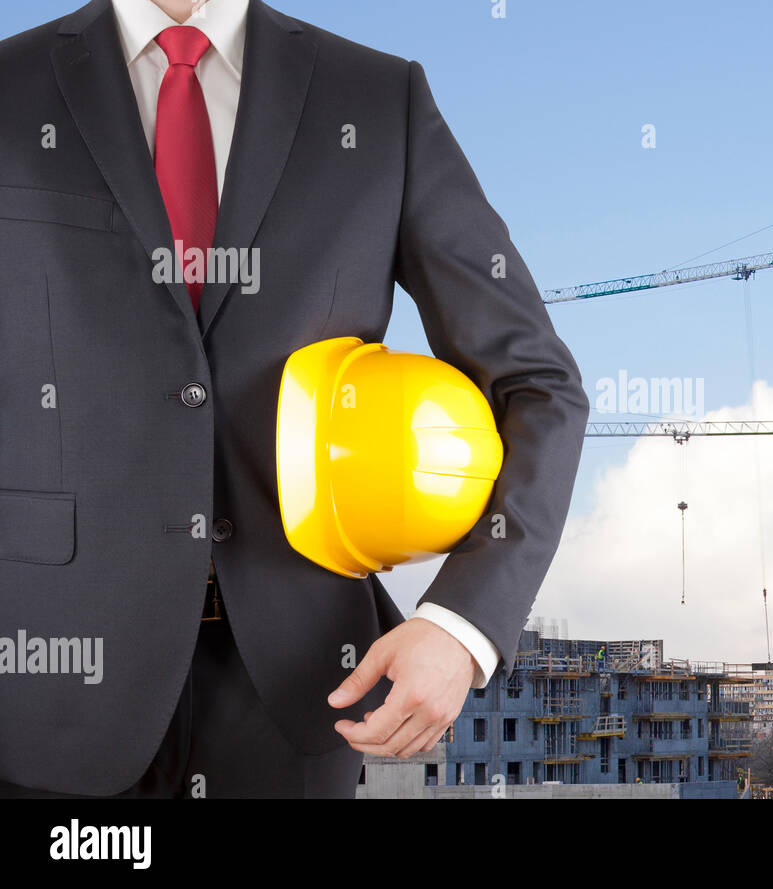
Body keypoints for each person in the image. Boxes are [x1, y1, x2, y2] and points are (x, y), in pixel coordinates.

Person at [0, 0, 587, 798]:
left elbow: (537, 384)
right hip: (41, 685)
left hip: (302, 688)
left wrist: (463, 625)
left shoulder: (380, 100)